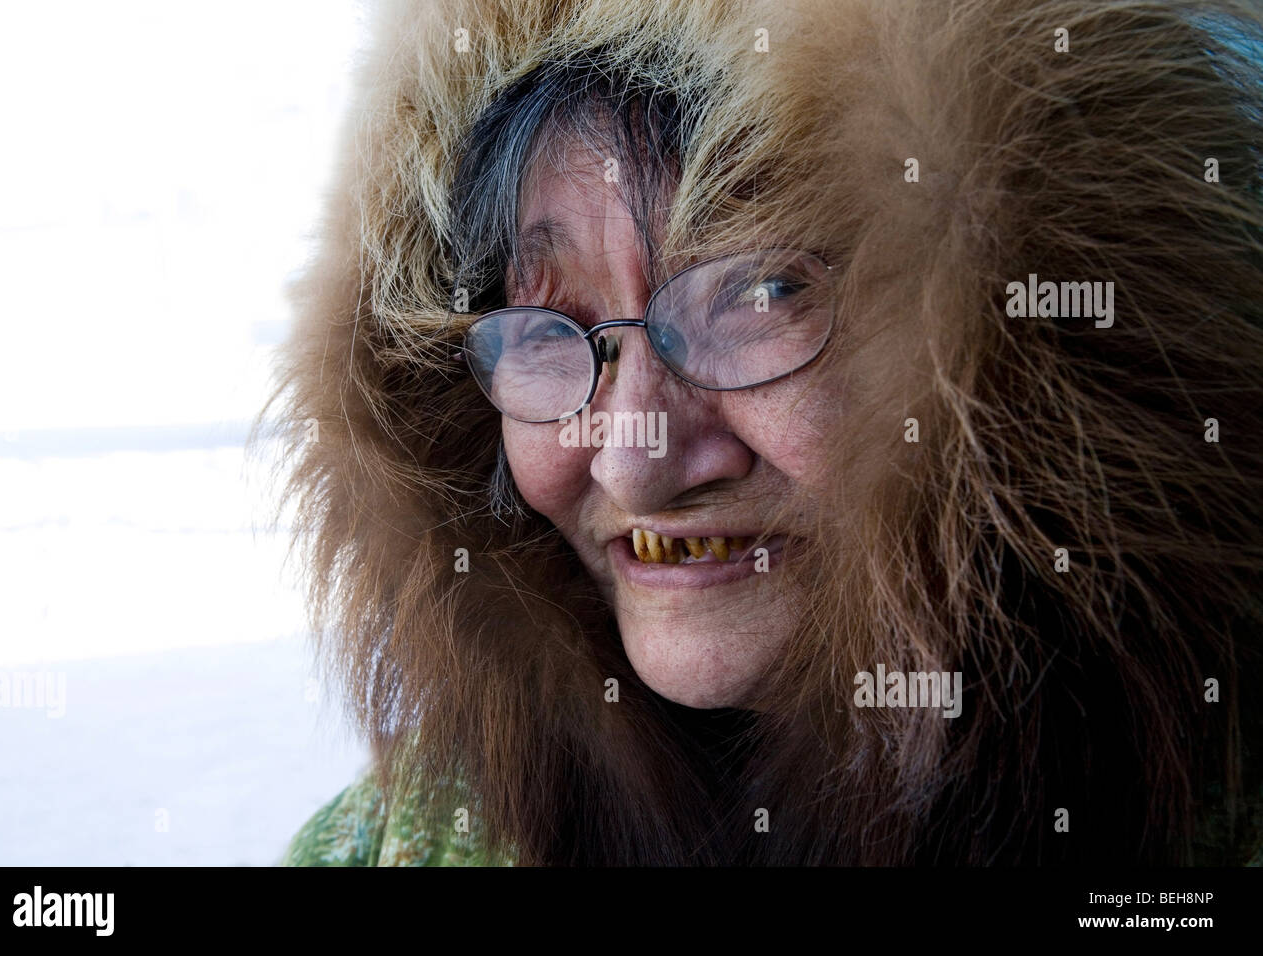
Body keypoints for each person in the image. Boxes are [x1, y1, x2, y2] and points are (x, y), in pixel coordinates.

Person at [265, 0, 1263, 865]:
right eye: (553, 330)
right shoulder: (403, 839)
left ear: (1018, 360)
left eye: (759, 291)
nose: (635, 462)